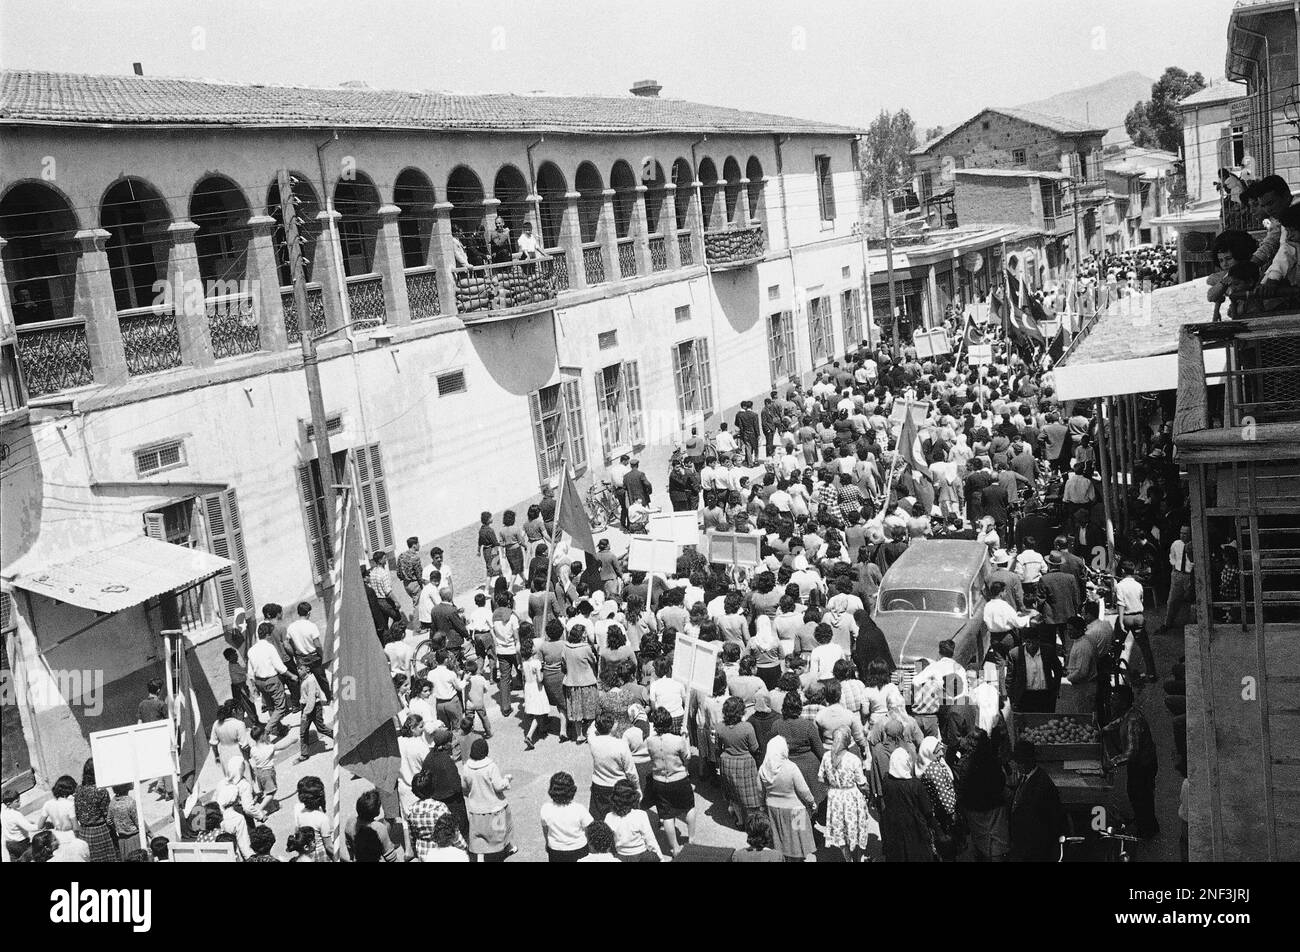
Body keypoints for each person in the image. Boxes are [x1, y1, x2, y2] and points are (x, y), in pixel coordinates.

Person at [1103, 685, 1160, 839]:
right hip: (1140, 762)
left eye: (1114, 699)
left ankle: (1147, 830)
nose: (1111, 702)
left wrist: (1111, 763)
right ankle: (1143, 821)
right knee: (1136, 793)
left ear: (1123, 702)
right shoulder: (1128, 714)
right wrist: (1105, 729)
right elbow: (1119, 721)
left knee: (1140, 794)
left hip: (1143, 764)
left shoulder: (1133, 721)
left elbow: (1131, 753)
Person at [818, 726, 875, 862]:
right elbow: (862, 782)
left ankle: (847, 859)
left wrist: (831, 785)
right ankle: (859, 857)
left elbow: (820, 778)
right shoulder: (853, 759)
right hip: (851, 796)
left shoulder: (826, 757)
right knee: (855, 827)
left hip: (835, 796)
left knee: (840, 829)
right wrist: (869, 793)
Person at [645, 706, 697, 855]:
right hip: (679, 778)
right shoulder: (677, 740)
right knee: (689, 807)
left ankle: (675, 848)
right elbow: (686, 759)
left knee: (667, 815)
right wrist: (685, 739)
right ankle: (691, 839)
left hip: (660, 781)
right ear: (669, 723)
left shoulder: (649, 741)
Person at [758, 736, 818, 862]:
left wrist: (762, 806)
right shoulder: (791, 767)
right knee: (799, 841)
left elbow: (760, 791)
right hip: (796, 810)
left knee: (780, 840)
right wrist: (812, 802)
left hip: (773, 809)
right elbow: (803, 790)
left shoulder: (763, 769)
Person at [1007, 740, 1064, 862]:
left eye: (1018, 762)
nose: (1016, 765)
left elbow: (1045, 821)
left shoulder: (1041, 785)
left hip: (1035, 848)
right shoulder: (1026, 777)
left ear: (1026, 762)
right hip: (1026, 845)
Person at [462, 738, 515, 861]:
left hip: (477, 811)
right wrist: (507, 780)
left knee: (479, 838)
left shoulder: (466, 767)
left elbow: (465, 788)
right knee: (500, 833)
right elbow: (498, 786)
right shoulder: (490, 766)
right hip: (495, 808)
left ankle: (480, 858)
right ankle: (505, 850)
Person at [880, 748, 935, 862]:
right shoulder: (915, 784)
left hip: (894, 826)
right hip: (914, 827)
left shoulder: (886, 781)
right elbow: (927, 810)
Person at [715, 695, 762, 827]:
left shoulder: (719, 727)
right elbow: (755, 747)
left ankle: (740, 821)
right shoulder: (747, 727)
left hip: (727, 763)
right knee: (749, 796)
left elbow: (717, 748)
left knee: (734, 795)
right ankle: (752, 823)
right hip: (745, 763)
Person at [917, 736, 963, 861]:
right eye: (937, 751)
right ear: (928, 753)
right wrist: (952, 813)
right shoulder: (935, 770)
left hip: (934, 813)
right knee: (948, 844)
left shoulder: (924, 764)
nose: (941, 754)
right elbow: (944, 795)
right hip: (943, 813)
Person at [586, 711, 639, 820]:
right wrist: (637, 787)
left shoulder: (593, 741)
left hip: (598, 785)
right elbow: (630, 771)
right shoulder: (621, 745)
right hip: (617, 787)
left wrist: (597, 721)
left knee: (600, 819)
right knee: (619, 819)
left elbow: (590, 730)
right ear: (612, 726)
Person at [604, 779, 664, 862]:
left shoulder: (609, 817)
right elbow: (650, 841)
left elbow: (607, 842)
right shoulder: (640, 815)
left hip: (620, 856)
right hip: (641, 856)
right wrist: (661, 858)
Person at [247, 626, 290, 739]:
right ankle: (267, 730)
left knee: (270, 706)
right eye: (270, 635)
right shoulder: (269, 647)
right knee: (280, 708)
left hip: (259, 682)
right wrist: (292, 675)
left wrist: (254, 686)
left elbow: (250, 672)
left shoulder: (251, 650)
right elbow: (279, 666)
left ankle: (279, 729)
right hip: (272, 680)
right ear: (267, 635)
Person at [539, 772, 593, 862]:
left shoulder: (546, 808)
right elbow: (590, 828)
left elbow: (545, 829)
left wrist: (547, 842)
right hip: (579, 849)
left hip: (556, 850)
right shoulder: (579, 809)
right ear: (572, 790)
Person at [1007, 630, 1063, 714]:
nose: (1032, 645)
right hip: (1025, 697)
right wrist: (1011, 698)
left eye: (1034, 642)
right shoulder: (1015, 654)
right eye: (1029, 642)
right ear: (1024, 642)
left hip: (1046, 696)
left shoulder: (1048, 651)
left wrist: (1055, 687)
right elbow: (1010, 678)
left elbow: (1058, 669)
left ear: (1038, 640)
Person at [287, 601, 331, 702]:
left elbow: (288, 643)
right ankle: (329, 698)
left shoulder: (291, 627)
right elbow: (317, 645)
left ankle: (308, 701)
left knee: (305, 682)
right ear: (308, 613)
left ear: (298, 613)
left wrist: (294, 653)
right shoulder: (312, 626)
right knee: (322, 680)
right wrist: (323, 656)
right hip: (314, 657)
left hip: (301, 658)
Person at [345, 790, 401, 862]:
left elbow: (349, 845)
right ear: (377, 812)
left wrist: (351, 858)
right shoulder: (379, 828)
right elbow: (390, 856)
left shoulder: (350, 822)